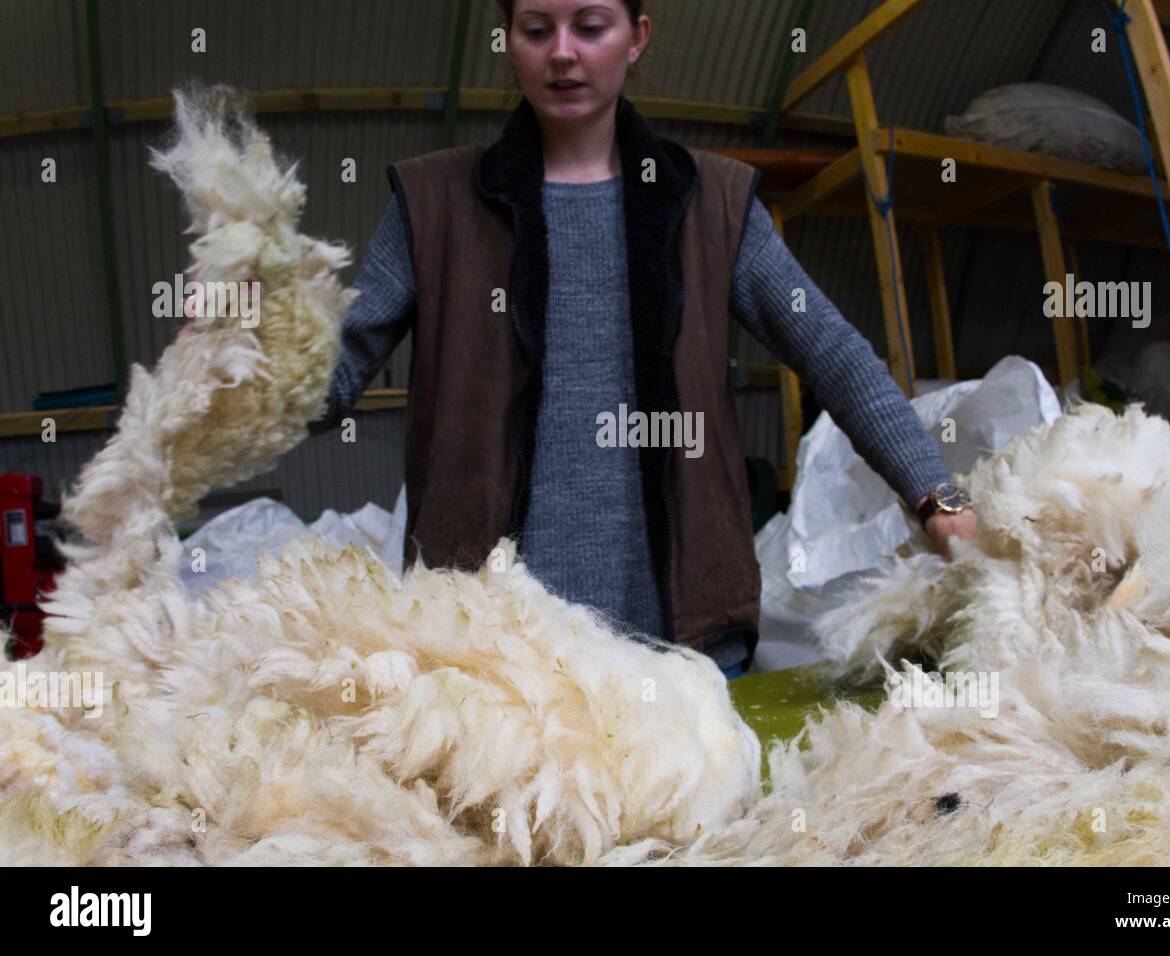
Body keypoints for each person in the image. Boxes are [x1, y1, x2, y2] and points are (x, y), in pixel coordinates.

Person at [255, 0, 976, 677]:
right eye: (537, 29)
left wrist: (936, 499)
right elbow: (332, 376)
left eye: (590, 26)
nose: (562, 54)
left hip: (682, 654)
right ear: (508, 40)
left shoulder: (709, 203)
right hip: (487, 660)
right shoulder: (435, 204)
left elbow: (837, 355)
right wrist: (240, 347)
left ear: (637, 36)